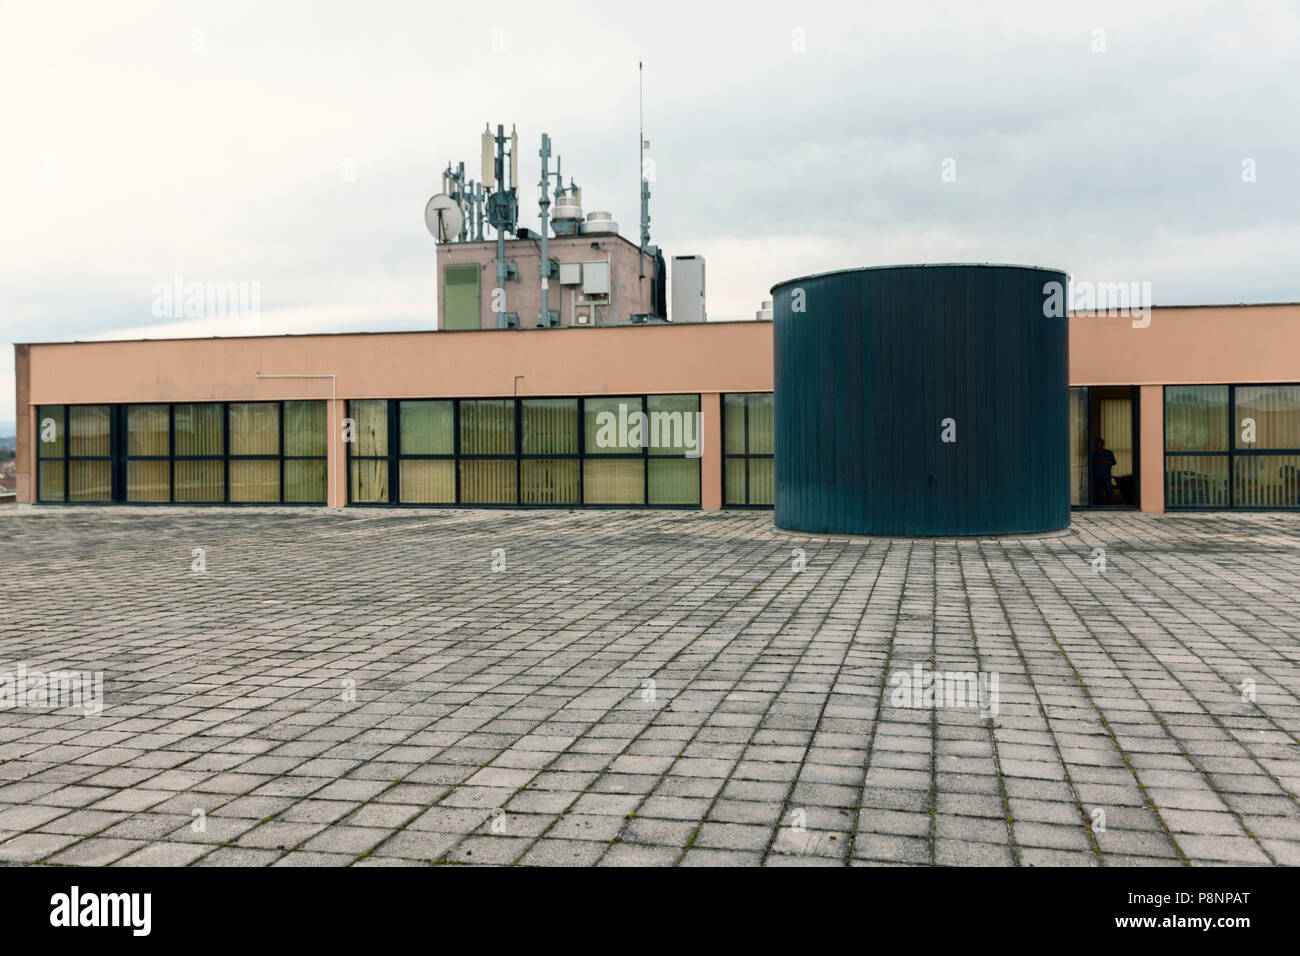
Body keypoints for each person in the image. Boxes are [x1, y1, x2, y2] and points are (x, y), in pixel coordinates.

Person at [1091, 437, 1117, 505]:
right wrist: (1096, 462)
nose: (1098, 445)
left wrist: (1104, 461)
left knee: (1109, 492)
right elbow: (1089, 464)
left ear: (1103, 444)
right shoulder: (1093, 453)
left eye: (1099, 444)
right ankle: (1100, 507)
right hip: (1096, 476)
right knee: (1099, 493)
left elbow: (1114, 462)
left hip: (1106, 476)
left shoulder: (1109, 453)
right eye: (1096, 444)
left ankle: (1111, 506)